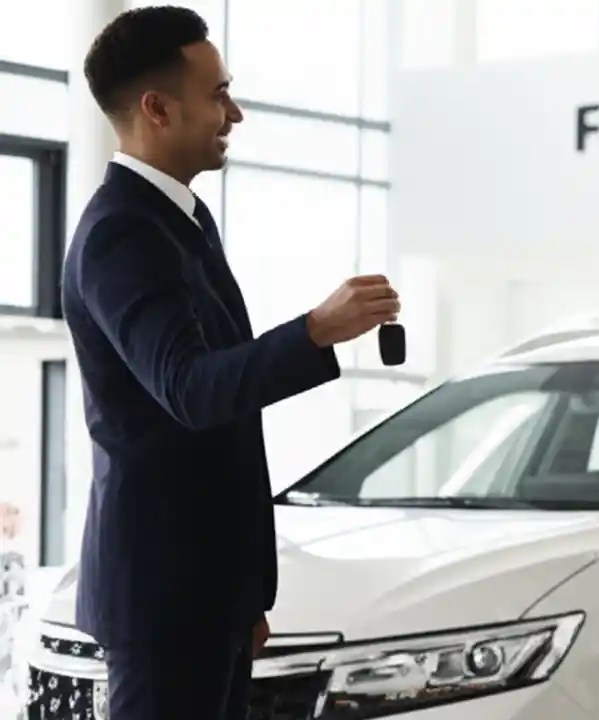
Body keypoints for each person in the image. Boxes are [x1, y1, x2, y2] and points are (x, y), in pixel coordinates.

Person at [63, 8, 400, 719]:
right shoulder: (122, 233)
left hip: (203, 597)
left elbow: (213, 416)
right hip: (164, 603)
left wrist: (238, 596)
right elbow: (188, 389)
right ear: (158, 108)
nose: (235, 112)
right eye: (219, 93)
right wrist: (316, 330)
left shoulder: (179, 220)